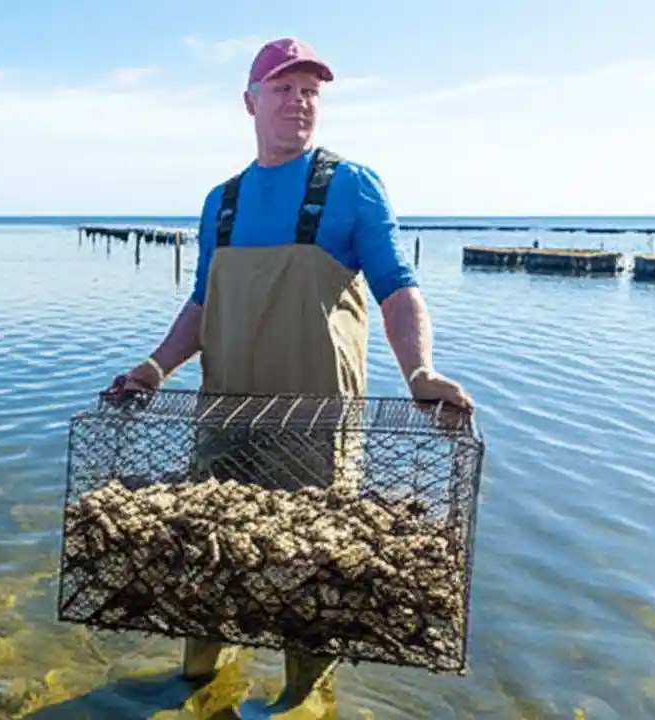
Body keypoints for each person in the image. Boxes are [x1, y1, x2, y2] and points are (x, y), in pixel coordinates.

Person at [105, 36, 474, 711]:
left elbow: (398, 288)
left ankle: (303, 695)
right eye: (282, 88)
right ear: (250, 102)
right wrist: (156, 367)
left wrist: (420, 370)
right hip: (224, 416)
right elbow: (201, 303)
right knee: (208, 555)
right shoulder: (221, 202)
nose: (298, 102)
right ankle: (197, 680)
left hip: (317, 420)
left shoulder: (352, 187)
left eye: (310, 91)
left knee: (313, 567)